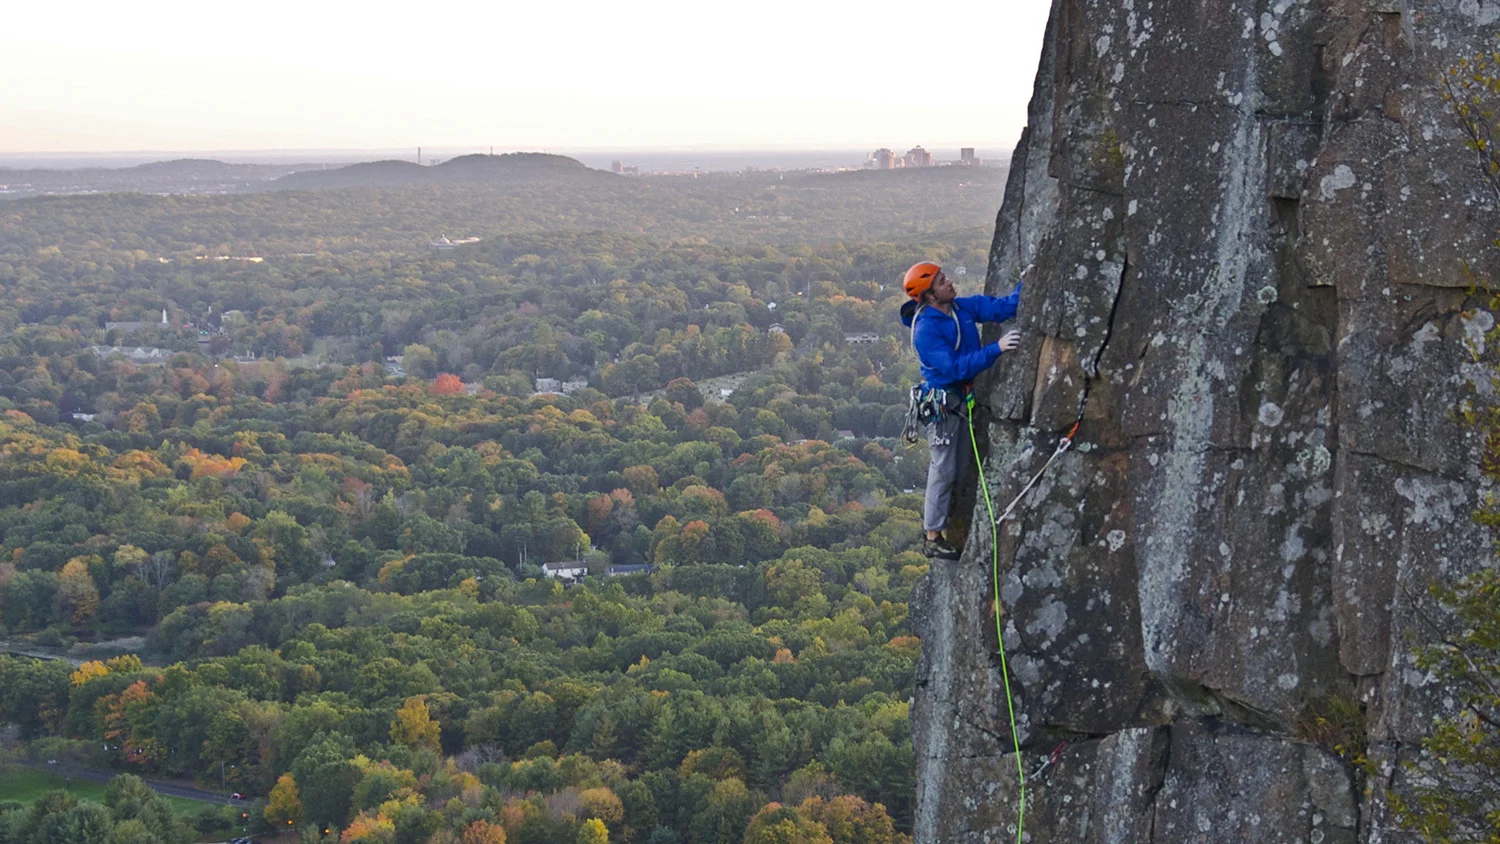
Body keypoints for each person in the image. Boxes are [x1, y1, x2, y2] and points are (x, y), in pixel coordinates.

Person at [899, 261, 1023, 560]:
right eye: (942, 282)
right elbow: (954, 368)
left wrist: (1029, 280)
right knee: (944, 469)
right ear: (929, 296)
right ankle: (932, 536)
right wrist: (998, 348)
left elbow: (1001, 308)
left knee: (961, 468)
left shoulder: (960, 309)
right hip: (943, 403)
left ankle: (949, 524)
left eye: (945, 277)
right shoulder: (926, 331)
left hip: (961, 399)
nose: (950, 282)